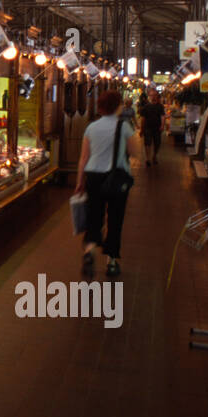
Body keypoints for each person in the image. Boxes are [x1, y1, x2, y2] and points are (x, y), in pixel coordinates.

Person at [74, 89, 140, 277]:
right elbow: (135, 152)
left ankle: (89, 252)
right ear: (118, 106)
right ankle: (111, 262)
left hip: (93, 177)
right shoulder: (124, 126)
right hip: (117, 178)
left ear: (100, 107)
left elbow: (83, 158)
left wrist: (80, 181)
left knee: (93, 216)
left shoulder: (91, 128)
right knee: (115, 218)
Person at [141, 90, 167, 166]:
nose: (153, 97)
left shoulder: (160, 106)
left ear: (157, 96)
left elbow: (162, 116)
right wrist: (142, 129)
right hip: (147, 127)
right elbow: (143, 118)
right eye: (151, 95)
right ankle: (148, 158)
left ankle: (154, 156)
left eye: (154, 95)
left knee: (157, 143)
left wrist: (162, 125)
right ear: (149, 96)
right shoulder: (146, 107)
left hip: (157, 128)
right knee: (147, 143)